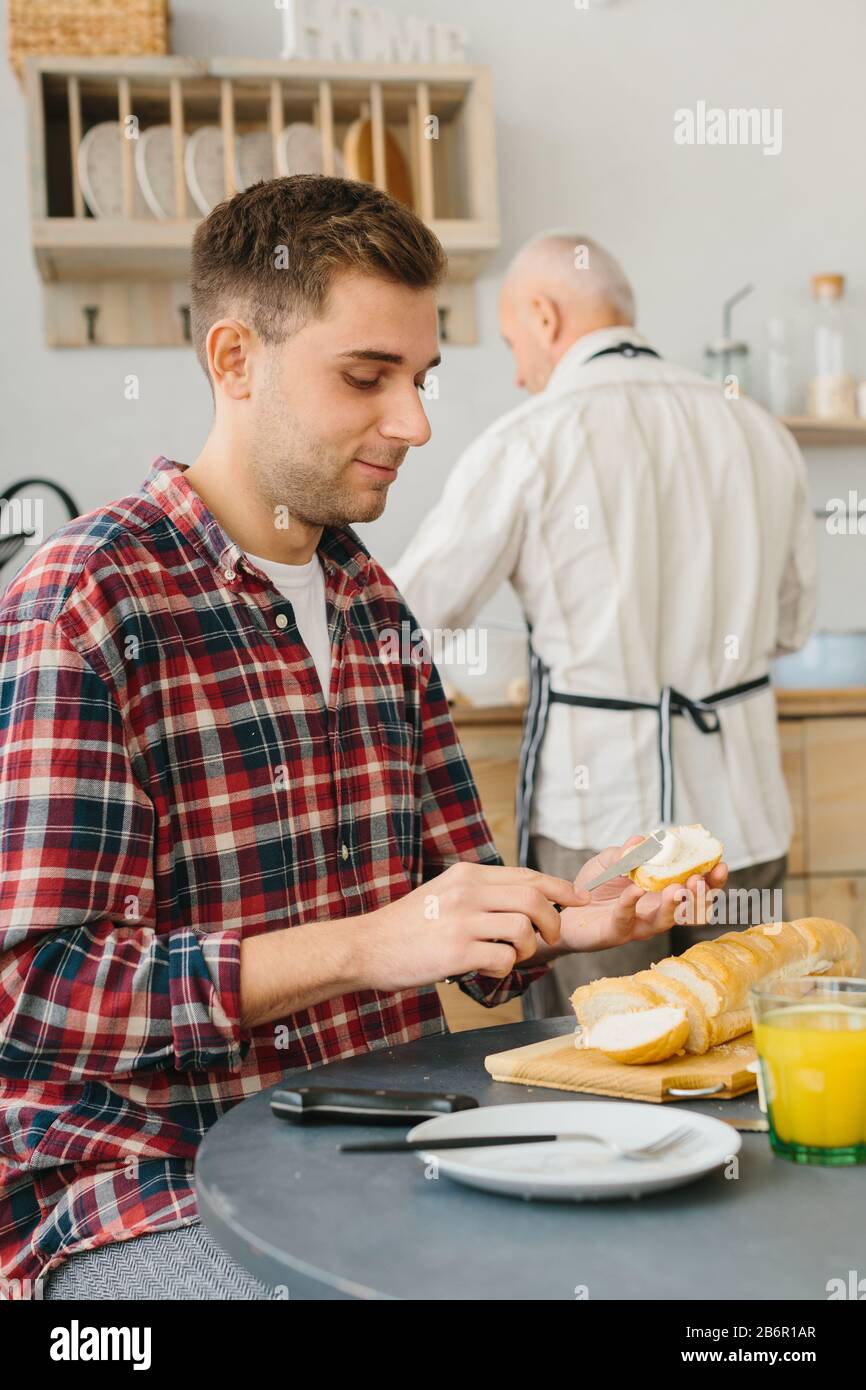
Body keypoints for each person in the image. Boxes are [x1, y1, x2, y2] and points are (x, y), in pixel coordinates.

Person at [0, 183, 727, 1301]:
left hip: (382, 1154)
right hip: (148, 1190)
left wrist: (559, 918)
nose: (416, 423)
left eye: (420, 379)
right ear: (234, 359)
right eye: (365, 376)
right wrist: (365, 944)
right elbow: (46, 991)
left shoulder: (374, 603)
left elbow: (448, 895)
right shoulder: (86, 602)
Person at [391, 230, 816, 1022]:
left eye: (517, 343)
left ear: (546, 317)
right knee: (743, 1046)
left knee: (598, 1054)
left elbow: (403, 624)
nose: (520, 373)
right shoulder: (757, 429)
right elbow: (792, 627)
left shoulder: (529, 440)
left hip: (602, 833)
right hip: (744, 815)